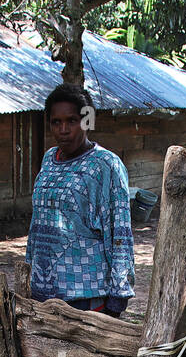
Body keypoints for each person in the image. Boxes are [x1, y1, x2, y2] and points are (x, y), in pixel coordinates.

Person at [25, 84, 135, 318]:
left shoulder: (105, 165)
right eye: (56, 122)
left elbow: (120, 231)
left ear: (87, 120)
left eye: (72, 121)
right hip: (45, 292)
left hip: (86, 294)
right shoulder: (48, 159)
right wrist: (30, 268)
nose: (63, 130)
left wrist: (118, 293)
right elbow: (37, 223)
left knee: (80, 356)